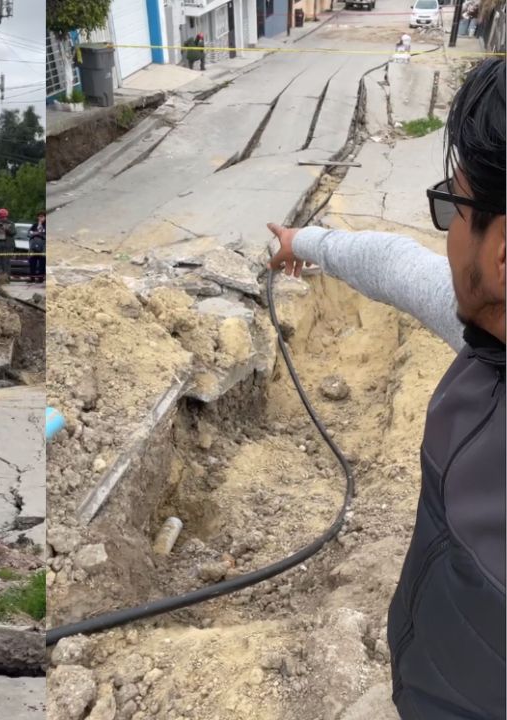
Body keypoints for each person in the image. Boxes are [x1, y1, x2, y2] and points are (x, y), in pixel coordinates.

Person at [267, 58, 504, 719]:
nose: (447, 233)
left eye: (453, 206)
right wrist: (304, 240)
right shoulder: (489, 336)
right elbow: (401, 269)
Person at [28, 211, 46, 282]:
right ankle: (32, 277)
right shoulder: (34, 225)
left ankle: (40, 278)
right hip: (33, 247)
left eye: (42, 216)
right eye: (39, 216)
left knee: (42, 263)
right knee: (32, 262)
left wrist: (40, 234)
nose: (40, 218)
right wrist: (34, 234)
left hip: (43, 247)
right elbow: (29, 233)